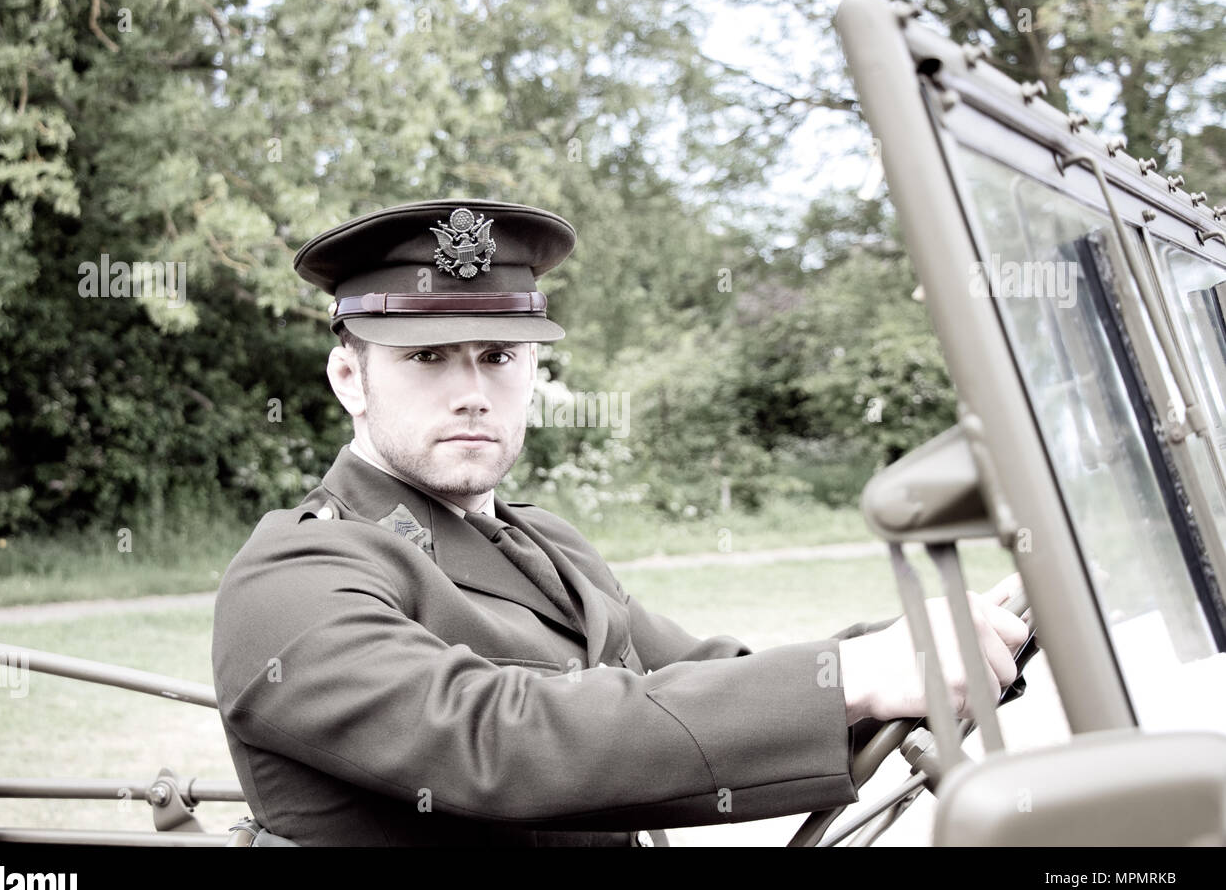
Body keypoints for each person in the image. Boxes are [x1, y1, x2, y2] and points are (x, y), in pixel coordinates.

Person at [211, 198, 1028, 846]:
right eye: (428, 357)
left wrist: (936, 637)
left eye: (498, 356)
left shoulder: (550, 545)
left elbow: (710, 680)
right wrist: (855, 675)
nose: (472, 391)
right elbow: (498, 740)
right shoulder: (295, 578)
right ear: (350, 376)